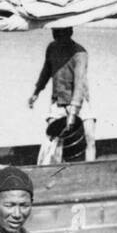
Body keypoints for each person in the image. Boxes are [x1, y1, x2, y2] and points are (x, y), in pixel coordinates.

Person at [28, 27, 95, 163]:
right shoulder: (52, 48)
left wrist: (72, 113)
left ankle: (90, 169)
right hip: (58, 100)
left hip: (79, 101)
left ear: (70, 33)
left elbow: (79, 83)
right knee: (51, 142)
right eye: (55, 33)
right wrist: (36, 92)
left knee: (90, 139)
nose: (57, 37)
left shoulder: (79, 53)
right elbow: (46, 71)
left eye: (61, 33)